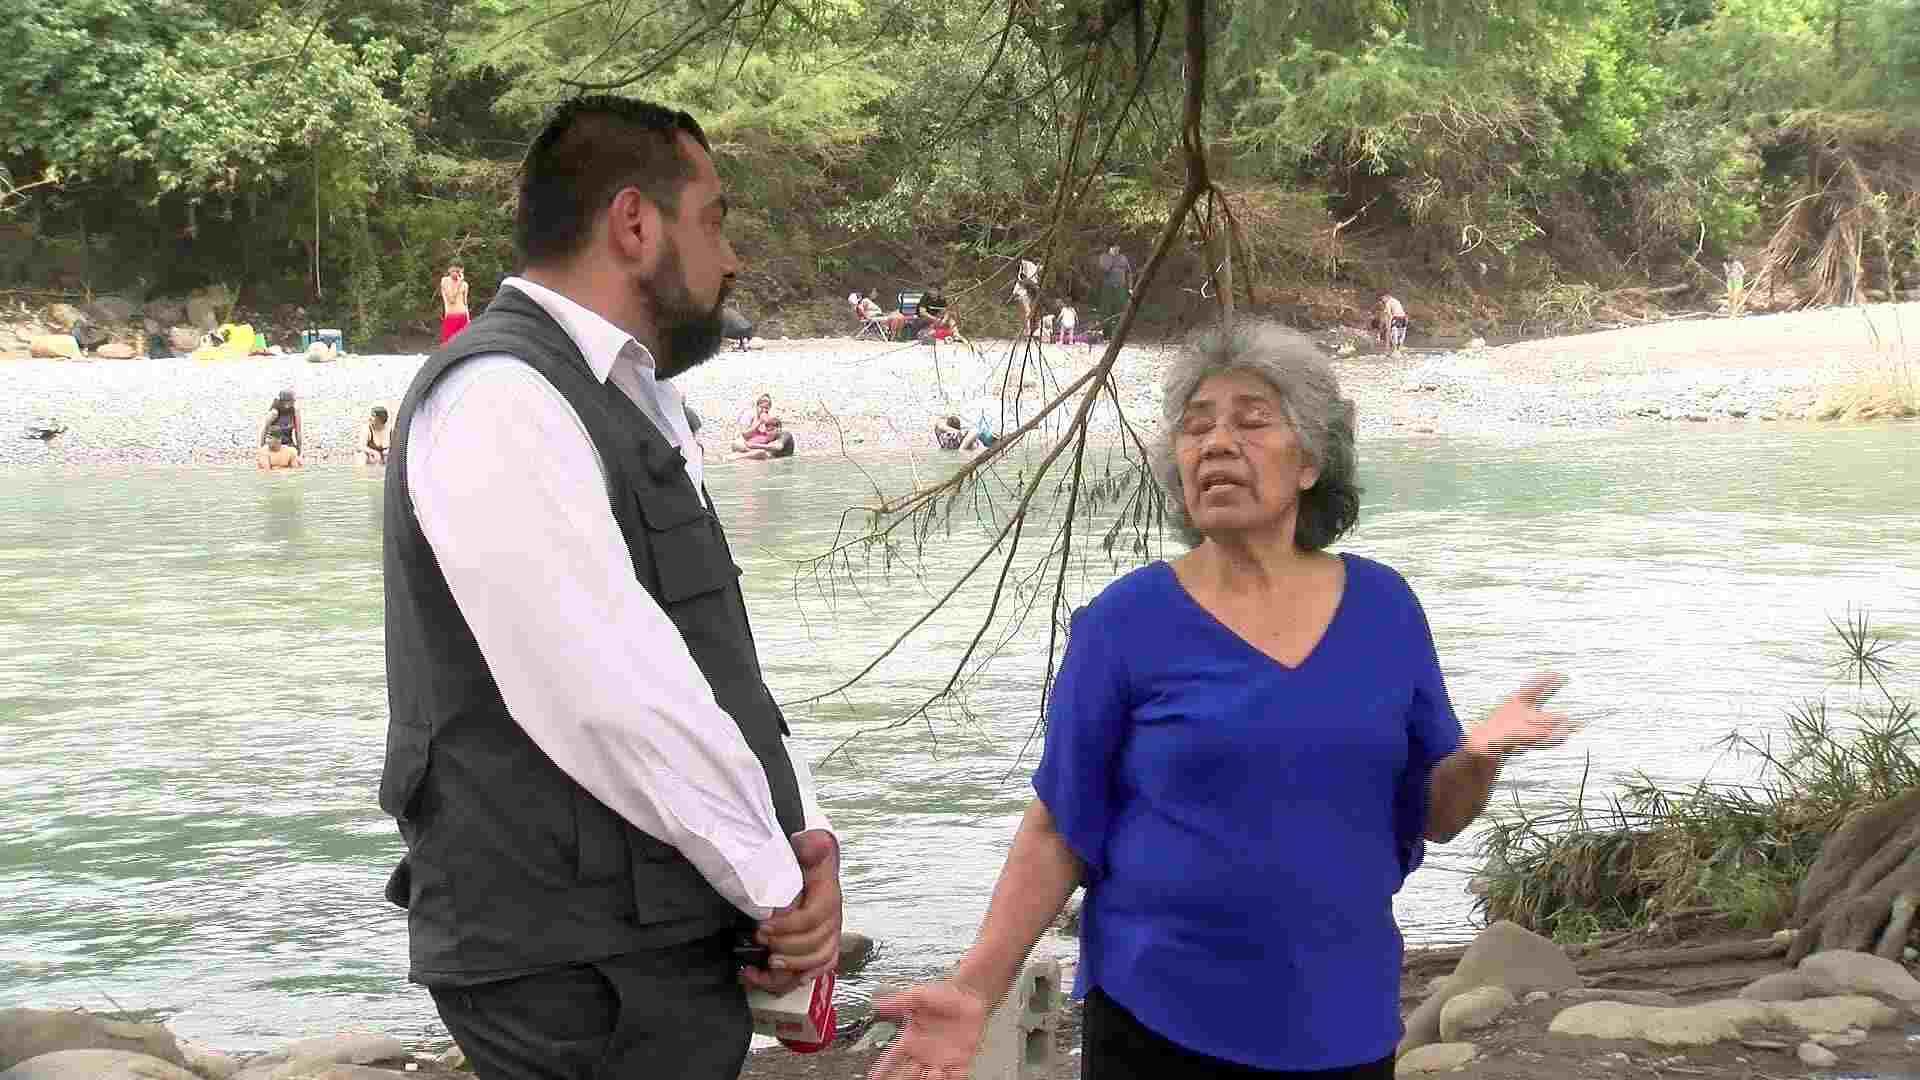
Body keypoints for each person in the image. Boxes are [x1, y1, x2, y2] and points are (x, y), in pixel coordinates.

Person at [870, 321, 1574, 1080]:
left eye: (1251, 420)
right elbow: (1058, 825)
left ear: (1308, 460)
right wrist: (974, 989)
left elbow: (1438, 815)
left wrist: (1477, 756)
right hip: (1159, 1021)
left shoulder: (1385, 607)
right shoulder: (1124, 622)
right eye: (1196, 426)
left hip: (1344, 1019)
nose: (1215, 443)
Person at [378, 96, 841, 1080]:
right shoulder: (500, 397)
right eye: (713, 219)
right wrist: (773, 883)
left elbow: (709, 664)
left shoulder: (635, 399)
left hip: (635, 937)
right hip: (569, 956)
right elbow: (603, 691)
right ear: (635, 224)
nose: (731, 258)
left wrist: (801, 839)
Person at [733, 392, 796, 459]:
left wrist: (754, 445)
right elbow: (745, 434)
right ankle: (751, 453)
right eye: (761, 407)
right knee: (737, 444)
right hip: (751, 445)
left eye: (766, 408)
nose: (764, 410)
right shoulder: (749, 416)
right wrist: (759, 422)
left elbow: (775, 441)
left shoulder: (771, 420)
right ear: (757, 406)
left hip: (763, 447)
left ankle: (749, 454)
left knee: (761, 452)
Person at [1097, 244, 1134, 330]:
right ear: (1110, 248)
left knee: (1121, 310)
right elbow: (1105, 269)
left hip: (1121, 287)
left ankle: (1119, 332)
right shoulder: (1104, 257)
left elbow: (1129, 273)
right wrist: (1113, 257)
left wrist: (1130, 287)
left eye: (1118, 247)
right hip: (1108, 288)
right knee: (1107, 311)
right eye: (1115, 247)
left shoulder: (1123, 258)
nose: (1117, 249)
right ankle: (1107, 333)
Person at [260, 389, 302, 454]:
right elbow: (264, 430)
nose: (294, 402)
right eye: (292, 400)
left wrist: (299, 449)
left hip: (288, 443)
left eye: (294, 400)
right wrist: (262, 448)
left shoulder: (295, 411)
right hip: (274, 445)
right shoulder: (274, 413)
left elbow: (298, 432)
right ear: (285, 402)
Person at [439, 264, 470, 344]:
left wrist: (468, 319)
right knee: (448, 343)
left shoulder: (465, 284)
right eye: (453, 271)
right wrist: (459, 283)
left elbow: (465, 303)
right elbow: (451, 299)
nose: (455, 273)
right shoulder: (445, 281)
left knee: (463, 342)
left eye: (458, 271)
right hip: (451, 315)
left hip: (463, 316)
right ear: (449, 270)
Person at [1012, 259, 1041, 335]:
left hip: (1024, 293)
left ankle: (1027, 330)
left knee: (1027, 312)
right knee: (1027, 312)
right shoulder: (1029, 266)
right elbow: (1025, 280)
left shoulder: (1033, 270)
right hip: (1022, 293)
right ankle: (1027, 330)